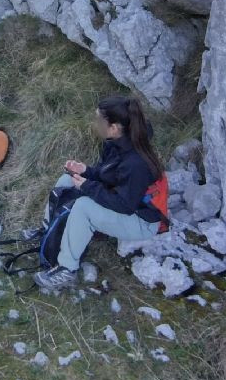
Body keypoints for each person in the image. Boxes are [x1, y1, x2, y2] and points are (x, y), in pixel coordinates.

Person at [28, 95, 166, 290]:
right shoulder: (115, 143)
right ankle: (47, 230)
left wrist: (87, 186)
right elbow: (108, 175)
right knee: (66, 180)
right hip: (124, 204)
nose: (95, 123)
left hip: (141, 221)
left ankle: (67, 269)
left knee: (84, 207)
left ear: (115, 127)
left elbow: (125, 205)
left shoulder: (136, 163)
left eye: (99, 120)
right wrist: (85, 171)